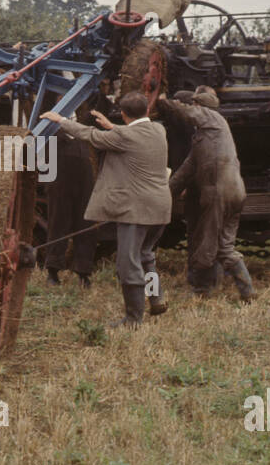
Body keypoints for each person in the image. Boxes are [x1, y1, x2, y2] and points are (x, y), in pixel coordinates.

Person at [40, 91, 172, 327]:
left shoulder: (125, 136)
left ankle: (133, 319)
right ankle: (156, 297)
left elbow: (89, 134)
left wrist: (60, 120)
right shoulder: (158, 130)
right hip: (160, 207)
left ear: (123, 113)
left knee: (128, 264)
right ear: (146, 110)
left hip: (136, 210)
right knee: (146, 257)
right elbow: (128, 134)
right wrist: (112, 126)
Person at [157, 87, 255, 301]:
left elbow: (186, 112)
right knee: (225, 245)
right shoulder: (206, 137)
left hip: (219, 192)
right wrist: (164, 195)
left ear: (200, 107)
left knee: (208, 242)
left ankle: (202, 290)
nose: (193, 110)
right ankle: (247, 292)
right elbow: (186, 171)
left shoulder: (213, 119)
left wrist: (162, 100)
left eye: (195, 106)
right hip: (234, 192)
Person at [43, 128, 96, 288]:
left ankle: (83, 272)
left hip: (84, 170)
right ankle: (53, 271)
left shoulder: (83, 117)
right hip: (59, 171)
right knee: (58, 221)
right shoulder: (50, 121)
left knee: (86, 221)